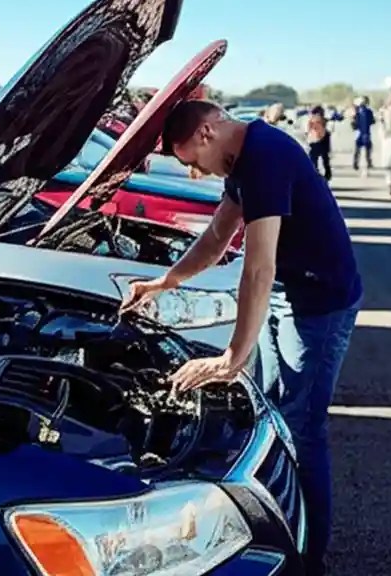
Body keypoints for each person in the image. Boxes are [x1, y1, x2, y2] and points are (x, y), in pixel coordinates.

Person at [121, 99, 362, 574]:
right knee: (271, 415)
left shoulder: (265, 156)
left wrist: (233, 355)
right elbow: (215, 239)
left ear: (207, 133)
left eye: (191, 159)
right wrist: (164, 281)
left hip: (319, 303)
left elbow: (258, 268)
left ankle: (310, 561)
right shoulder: (240, 163)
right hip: (290, 295)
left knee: (303, 429)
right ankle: (274, 520)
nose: (195, 171)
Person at [351, 96, 375, 174]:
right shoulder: (369, 111)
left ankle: (355, 163)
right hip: (366, 133)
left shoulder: (356, 111)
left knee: (357, 149)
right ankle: (368, 163)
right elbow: (372, 121)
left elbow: (353, 124)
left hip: (359, 133)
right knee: (368, 149)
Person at [307, 105, 332, 180]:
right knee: (325, 159)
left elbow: (309, 129)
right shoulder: (323, 119)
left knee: (314, 159)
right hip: (323, 138)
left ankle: (315, 174)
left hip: (315, 140)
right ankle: (327, 174)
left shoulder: (312, 119)